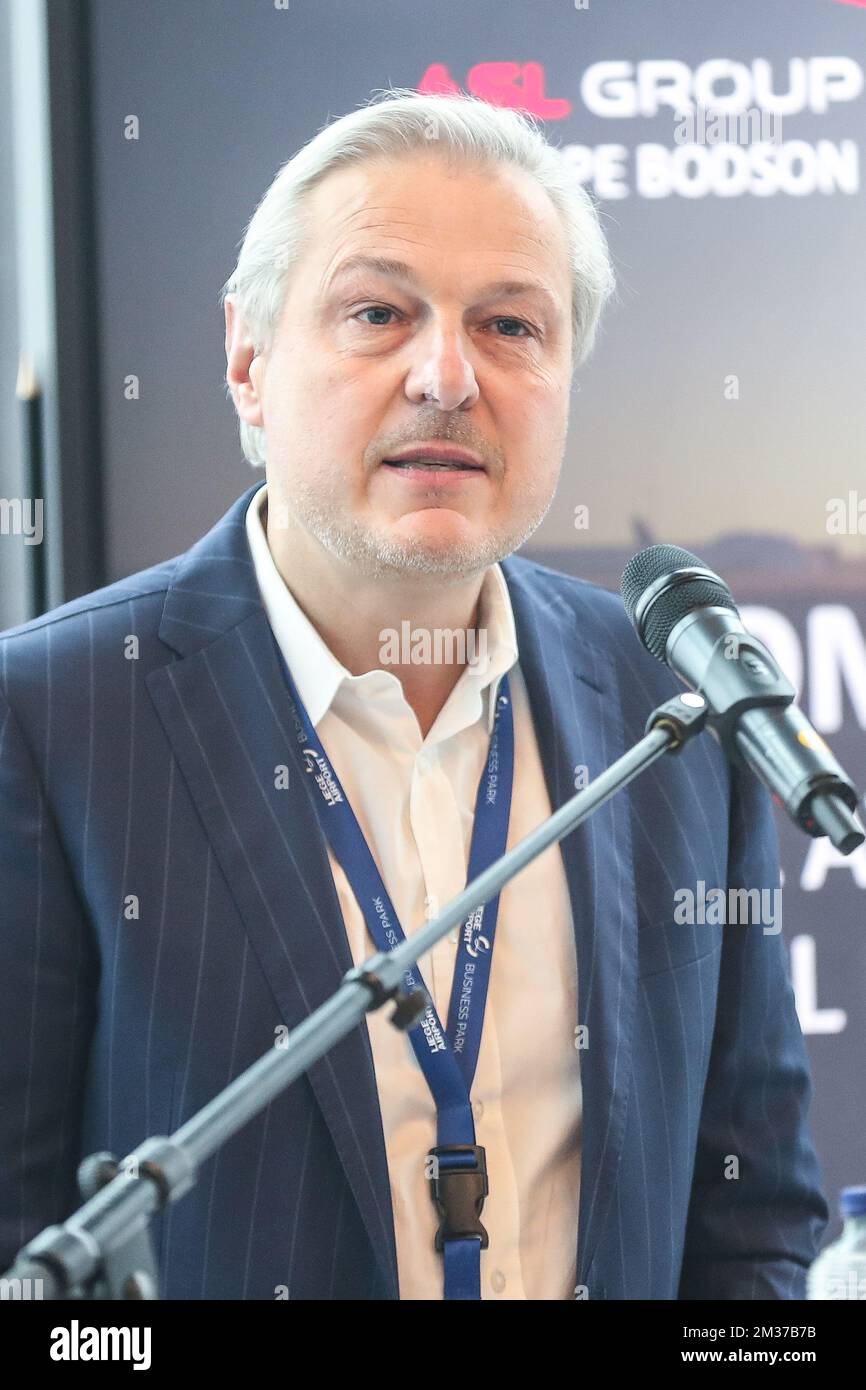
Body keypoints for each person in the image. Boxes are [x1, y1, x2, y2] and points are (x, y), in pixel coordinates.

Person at [0, 88, 828, 1299]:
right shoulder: (55, 717)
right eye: (377, 312)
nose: (446, 377)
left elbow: (749, 1221)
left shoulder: (674, 706)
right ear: (247, 361)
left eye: (509, 327)